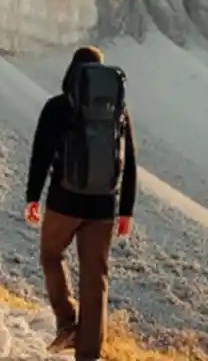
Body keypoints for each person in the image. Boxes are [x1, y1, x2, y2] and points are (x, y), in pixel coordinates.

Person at [25, 45, 137, 360]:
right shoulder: (118, 110)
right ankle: (89, 354)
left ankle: (67, 323)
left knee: (51, 254)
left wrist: (33, 196)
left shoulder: (58, 106)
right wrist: (126, 210)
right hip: (103, 207)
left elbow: (41, 154)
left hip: (64, 202)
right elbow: (129, 161)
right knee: (96, 276)